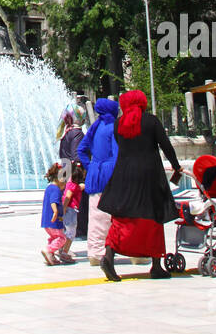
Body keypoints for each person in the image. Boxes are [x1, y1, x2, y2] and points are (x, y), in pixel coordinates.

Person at [98, 90, 183, 282]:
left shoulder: (119, 123)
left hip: (123, 174)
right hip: (149, 175)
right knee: (153, 217)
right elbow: (166, 145)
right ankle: (156, 266)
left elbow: (120, 144)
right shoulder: (151, 121)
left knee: (121, 217)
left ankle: (109, 256)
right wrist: (176, 167)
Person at [76, 97, 120, 266]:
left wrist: (91, 166)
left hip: (94, 175)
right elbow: (116, 154)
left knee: (95, 216)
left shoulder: (95, 126)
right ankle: (110, 250)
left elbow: (81, 149)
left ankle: (94, 253)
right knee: (109, 216)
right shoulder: (113, 127)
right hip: (109, 174)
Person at [41, 163, 72, 266]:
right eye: (65, 182)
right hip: (55, 220)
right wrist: (55, 212)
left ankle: (50, 255)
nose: (65, 186)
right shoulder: (56, 189)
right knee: (62, 238)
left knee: (54, 238)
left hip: (46, 221)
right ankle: (48, 250)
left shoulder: (49, 187)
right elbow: (53, 201)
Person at [58, 113, 84, 178]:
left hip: (66, 170)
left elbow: (62, 154)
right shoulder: (77, 133)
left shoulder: (66, 133)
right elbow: (76, 155)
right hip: (74, 174)